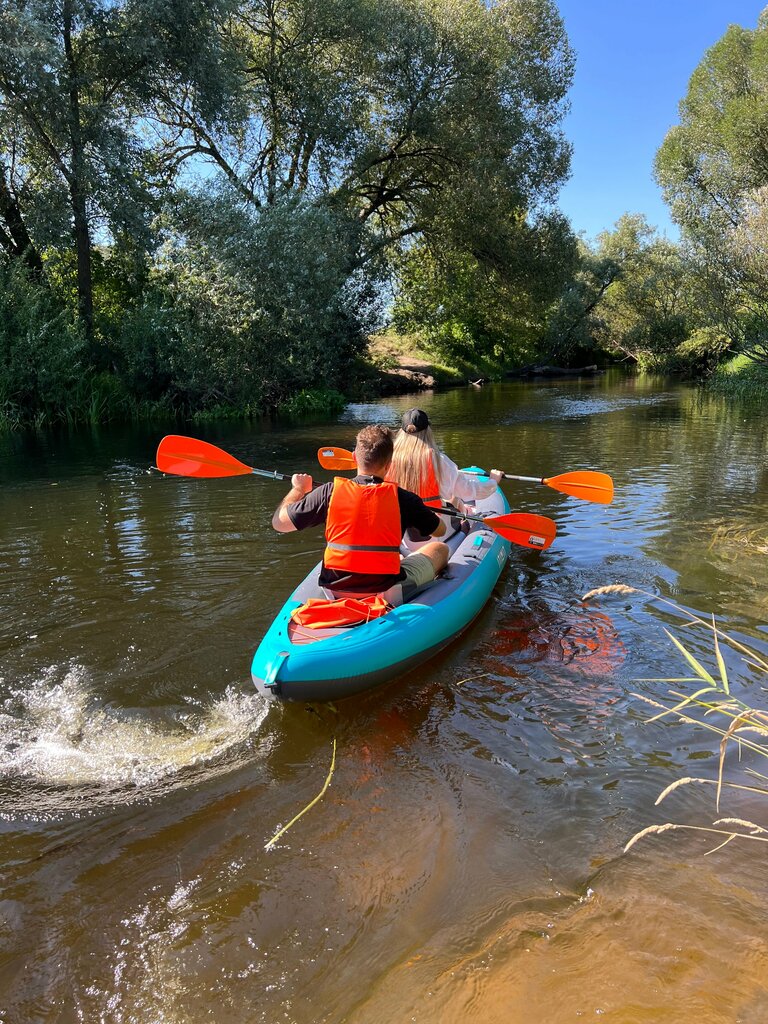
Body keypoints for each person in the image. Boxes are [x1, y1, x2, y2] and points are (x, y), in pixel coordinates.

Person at [272, 424, 449, 601]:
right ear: (389, 465)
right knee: (440, 548)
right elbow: (440, 531)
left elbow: (279, 523)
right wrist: (418, 509)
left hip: (335, 589)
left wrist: (299, 489)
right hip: (385, 590)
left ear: (355, 458)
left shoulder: (329, 492)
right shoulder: (404, 499)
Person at [388, 408, 503, 511]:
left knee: (453, 498)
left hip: (400, 522)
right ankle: (466, 517)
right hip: (433, 524)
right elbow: (468, 491)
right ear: (428, 430)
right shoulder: (438, 460)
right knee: (454, 499)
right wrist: (493, 481)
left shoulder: (388, 458)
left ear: (402, 431)